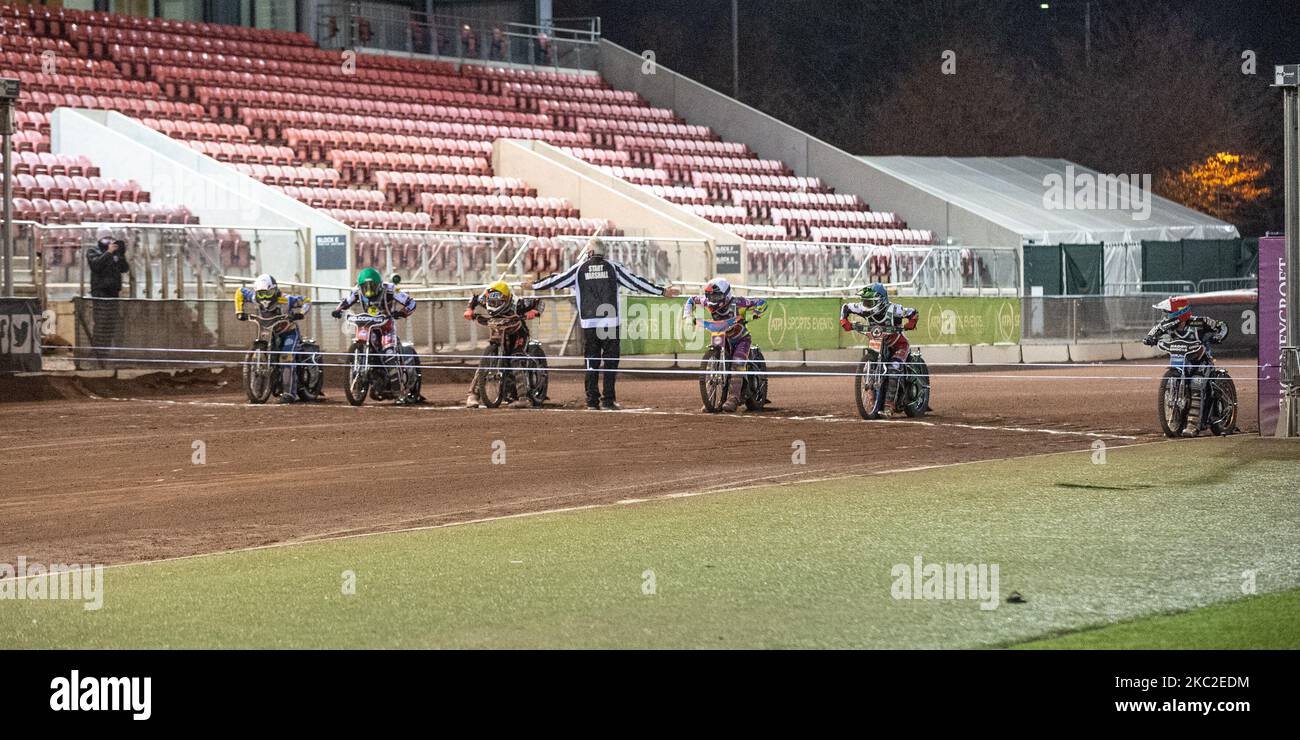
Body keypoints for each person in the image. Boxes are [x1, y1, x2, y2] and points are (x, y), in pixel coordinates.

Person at [529, 238, 675, 410]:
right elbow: (636, 282)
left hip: (589, 323)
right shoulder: (613, 267)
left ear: (589, 252)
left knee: (591, 361)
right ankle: (608, 400)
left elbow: (555, 281)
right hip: (610, 323)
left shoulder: (579, 269)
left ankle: (592, 400)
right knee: (611, 361)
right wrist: (662, 291)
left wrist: (533, 285)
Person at [682, 278, 767, 413]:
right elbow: (691, 300)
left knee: (737, 364)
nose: (712, 299)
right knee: (717, 362)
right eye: (710, 295)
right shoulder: (707, 302)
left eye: (716, 295)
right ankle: (711, 400)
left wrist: (754, 314)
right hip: (721, 337)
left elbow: (761, 303)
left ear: (727, 294)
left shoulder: (739, 302)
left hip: (741, 339)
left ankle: (733, 398)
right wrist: (687, 316)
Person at [331, 268, 417, 398]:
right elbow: (346, 301)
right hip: (367, 327)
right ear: (360, 286)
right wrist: (338, 310)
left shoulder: (391, 289)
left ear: (380, 284)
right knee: (369, 351)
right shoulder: (357, 291)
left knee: (389, 354)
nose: (369, 290)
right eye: (365, 287)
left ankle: (399, 390)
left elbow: (411, 302)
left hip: (386, 327)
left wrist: (402, 312)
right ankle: (369, 379)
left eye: (372, 286)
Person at [839, 283, 918, 415]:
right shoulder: (862, 308)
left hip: (899, 345)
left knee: (894, 367)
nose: (866, 305)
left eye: (870, 302)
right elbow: (845, 307)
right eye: (865, 302)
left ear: (880, 301)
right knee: (871, 367)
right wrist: (844, 322)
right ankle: (874, 401)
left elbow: (913, 313)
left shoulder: (895, 309)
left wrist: (910, 323)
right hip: (878, 344)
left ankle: (889, 405)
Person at [463, 280, 544, 408]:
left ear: (506, 299)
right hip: (498, 330)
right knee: (486, 360)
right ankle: (473, 395)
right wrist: (469, 310)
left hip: (517, 332)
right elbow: (473, 299)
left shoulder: (518, 303)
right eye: (492, 302)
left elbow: (539, 302)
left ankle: (524, 398)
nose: (494, 304)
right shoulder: (484, 298)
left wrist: (533, 311)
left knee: (515, 359)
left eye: (498, 302)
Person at [235, 274, 310, 403]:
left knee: (286, 357)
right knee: (267, 359)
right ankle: (257, 392)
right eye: (261, 294)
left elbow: (306, 300)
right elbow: (239, 291)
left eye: (268, 294)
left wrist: (300, 314)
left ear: (275, 290)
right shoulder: (255, 298)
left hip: (288, 332)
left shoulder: (286, 300)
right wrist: (239, 311)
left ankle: (289, 394)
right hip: (269, 333)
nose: (264, 298)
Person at [1141, 297, 1228, 368]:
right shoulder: (1166, 325)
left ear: (1178, 314)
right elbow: (1155, 331)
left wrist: (1218, 336)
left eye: (1167, 314)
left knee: (1202, 379)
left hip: (1201, 360)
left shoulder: (1201, 321)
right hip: (1178, 359)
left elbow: (1222, 326)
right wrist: (1149, 338)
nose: (1165, 318)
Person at [85, 236, 130, 367]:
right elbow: (96, 265)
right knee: (101, 322)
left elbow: (124, 268)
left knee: (111, 323)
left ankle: (105, 353)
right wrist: (109, 253)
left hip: (113, 292)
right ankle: (96, 354)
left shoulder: (116, 253)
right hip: (100, 291)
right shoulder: (93, 251)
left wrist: (120, 255)